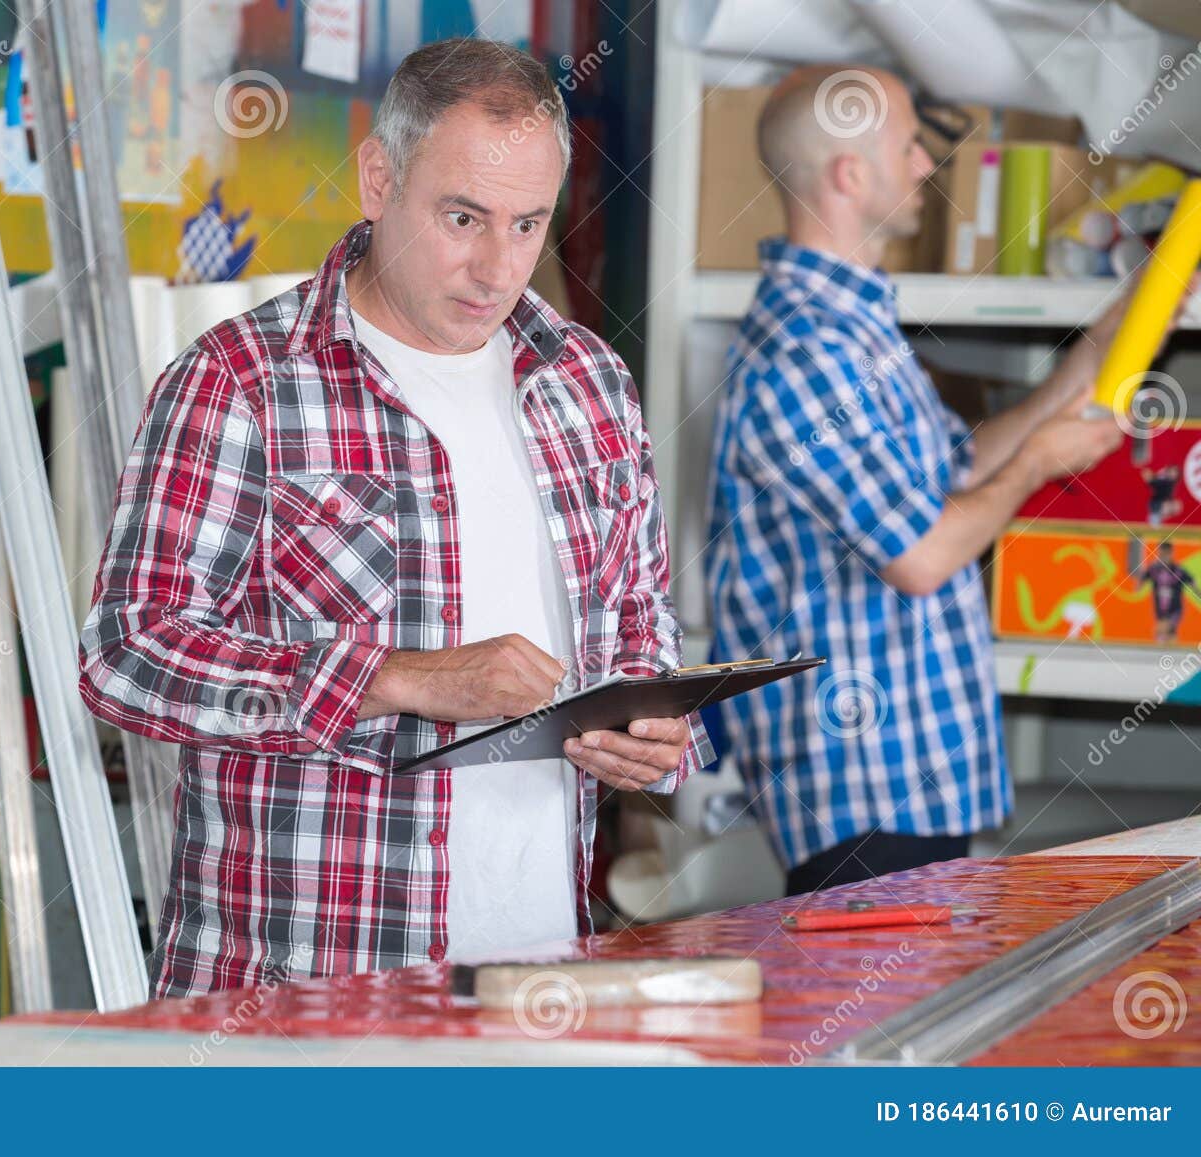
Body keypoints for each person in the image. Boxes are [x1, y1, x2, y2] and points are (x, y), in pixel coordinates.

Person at [80, 38, 711, 997]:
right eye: (462, 217)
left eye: (528, 223)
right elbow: (126, 659)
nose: (498, 266)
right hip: (299, 998)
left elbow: (638, 628)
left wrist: (648, 723)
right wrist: (395, 678)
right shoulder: (240, 383)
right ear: (379, 179)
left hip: (534, 985)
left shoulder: (590, 385)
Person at [705, 65, 1154, 897]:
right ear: (849, 175)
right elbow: (921, 553)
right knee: (877, 1019)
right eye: (909, 145)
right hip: (862, 791)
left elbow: (961, 470)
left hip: (910, 777)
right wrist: (1038, 464)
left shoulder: (853, 331)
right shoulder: (807, 351)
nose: (925, 164)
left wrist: (1126, 318)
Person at [1138, 541, 1197, 643]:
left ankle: (1168, 648)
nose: (1163, 557)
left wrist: (1197, 592)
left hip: (1175, 609)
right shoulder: (1154, 569)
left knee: (1165, 629)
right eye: (1161, 554)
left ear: (1171, 553)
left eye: (1166, 554)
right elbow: (1141, 580)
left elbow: (1192, 581)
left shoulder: (1178, 571)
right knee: (1164, 632)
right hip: (1160, 609)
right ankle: (1166, 651)